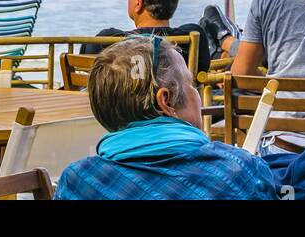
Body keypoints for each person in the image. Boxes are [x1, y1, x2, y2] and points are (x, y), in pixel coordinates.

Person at [54, 37, 280, 200]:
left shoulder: (78, 181)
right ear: (166, 101)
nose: (196, 94)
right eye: (192, 84)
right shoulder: (241, 171)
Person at [79, 0, 211, 73]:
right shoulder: (193, 39)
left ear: (138, 2)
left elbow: (86, 71)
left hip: (122, 104)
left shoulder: (107, 41)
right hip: (175, 104)